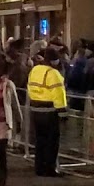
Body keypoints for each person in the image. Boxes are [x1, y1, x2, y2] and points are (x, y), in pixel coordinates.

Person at [27, 48, 67, 177]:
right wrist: (62, 112)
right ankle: (50, 168)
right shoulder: (53, 73)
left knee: (40, 141)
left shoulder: (35, 70)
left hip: (35, 109)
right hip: (49, 111)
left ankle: (39, 167)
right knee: (52, 141)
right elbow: (58, 94)